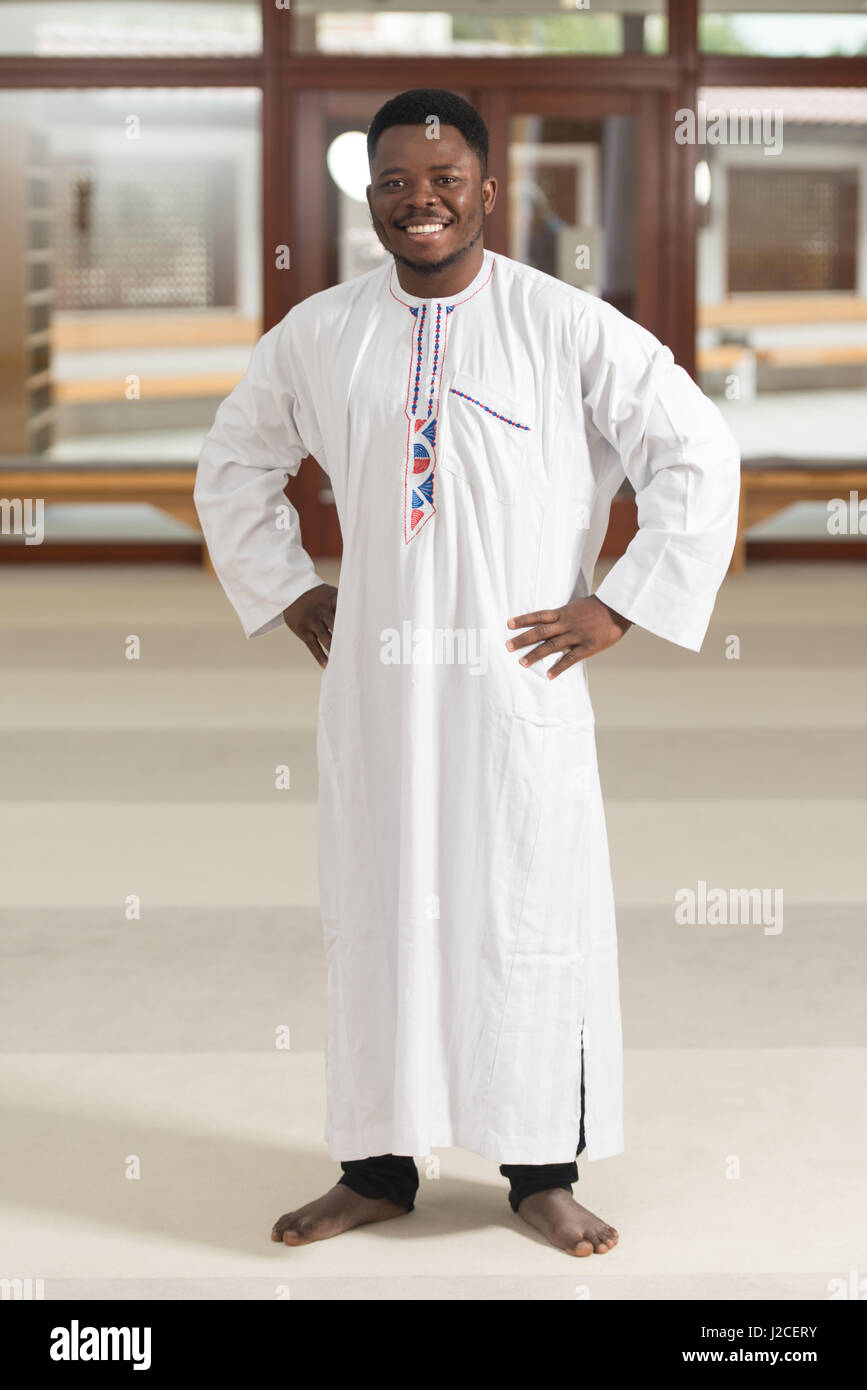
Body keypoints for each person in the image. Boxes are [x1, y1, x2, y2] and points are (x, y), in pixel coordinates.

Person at [194, 88, 741, 1258]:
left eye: (444, 179)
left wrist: (622, 602)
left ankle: (541, 1169)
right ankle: (377, 1166)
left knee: (527, 910)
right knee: (380, 907)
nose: (420, 200)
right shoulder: (322, 332)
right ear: (371, 196)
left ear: (487, 190)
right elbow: (235, 459)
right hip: (382, 685)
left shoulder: (564, 323)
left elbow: (695, 449)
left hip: (514, 690)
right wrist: (289, 586)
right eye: (395, 181)